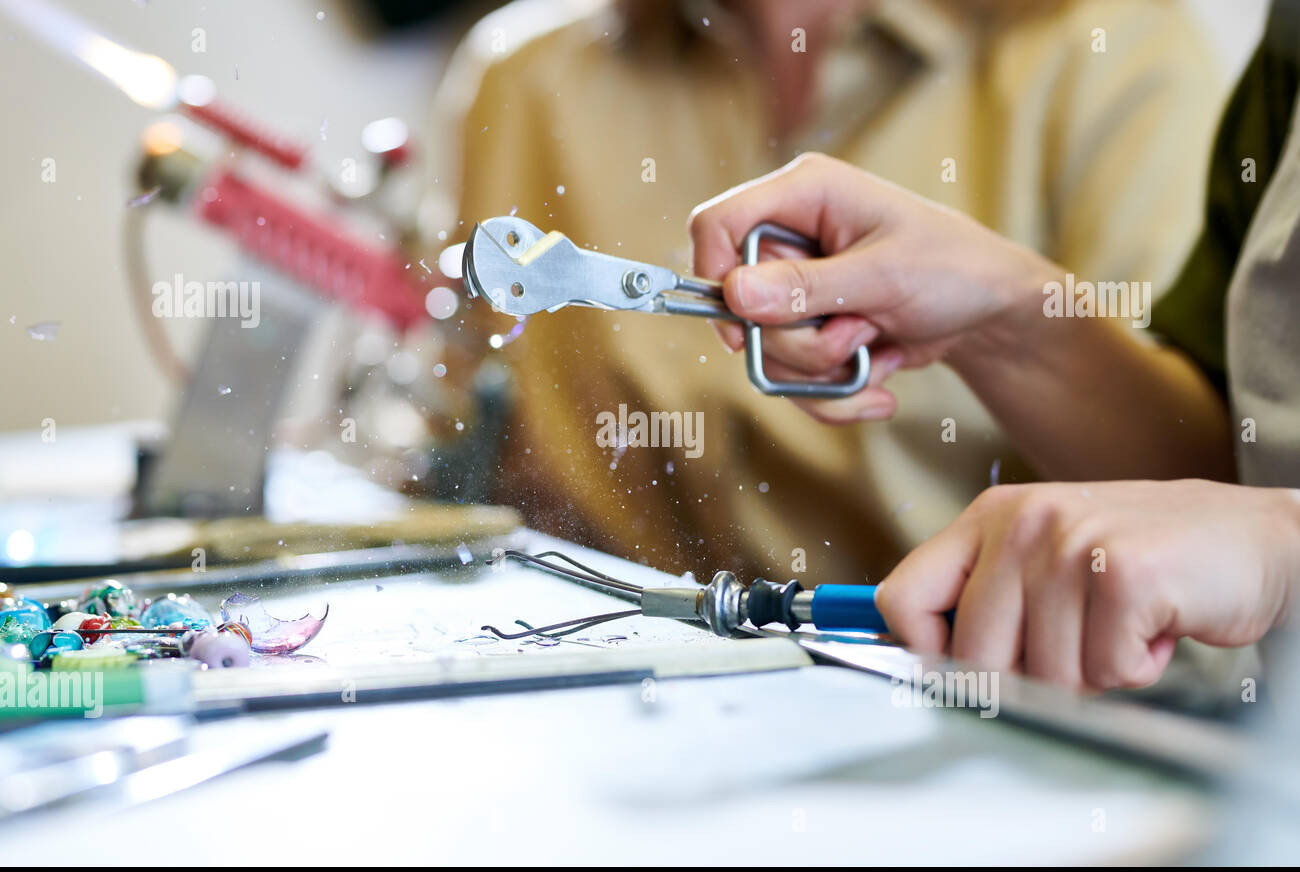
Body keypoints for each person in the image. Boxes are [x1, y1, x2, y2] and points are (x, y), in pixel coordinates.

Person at [427, 0, 1221, 590]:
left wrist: (1004, 324)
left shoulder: (1117, 55)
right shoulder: (522, 80)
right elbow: (463, 459)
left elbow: (1192, 513)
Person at [687, 0, 1300, 691]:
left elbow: (1236, 528)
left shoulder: (1117, 51)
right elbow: (1223, 466)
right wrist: (999, 312)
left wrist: (1283, 550)